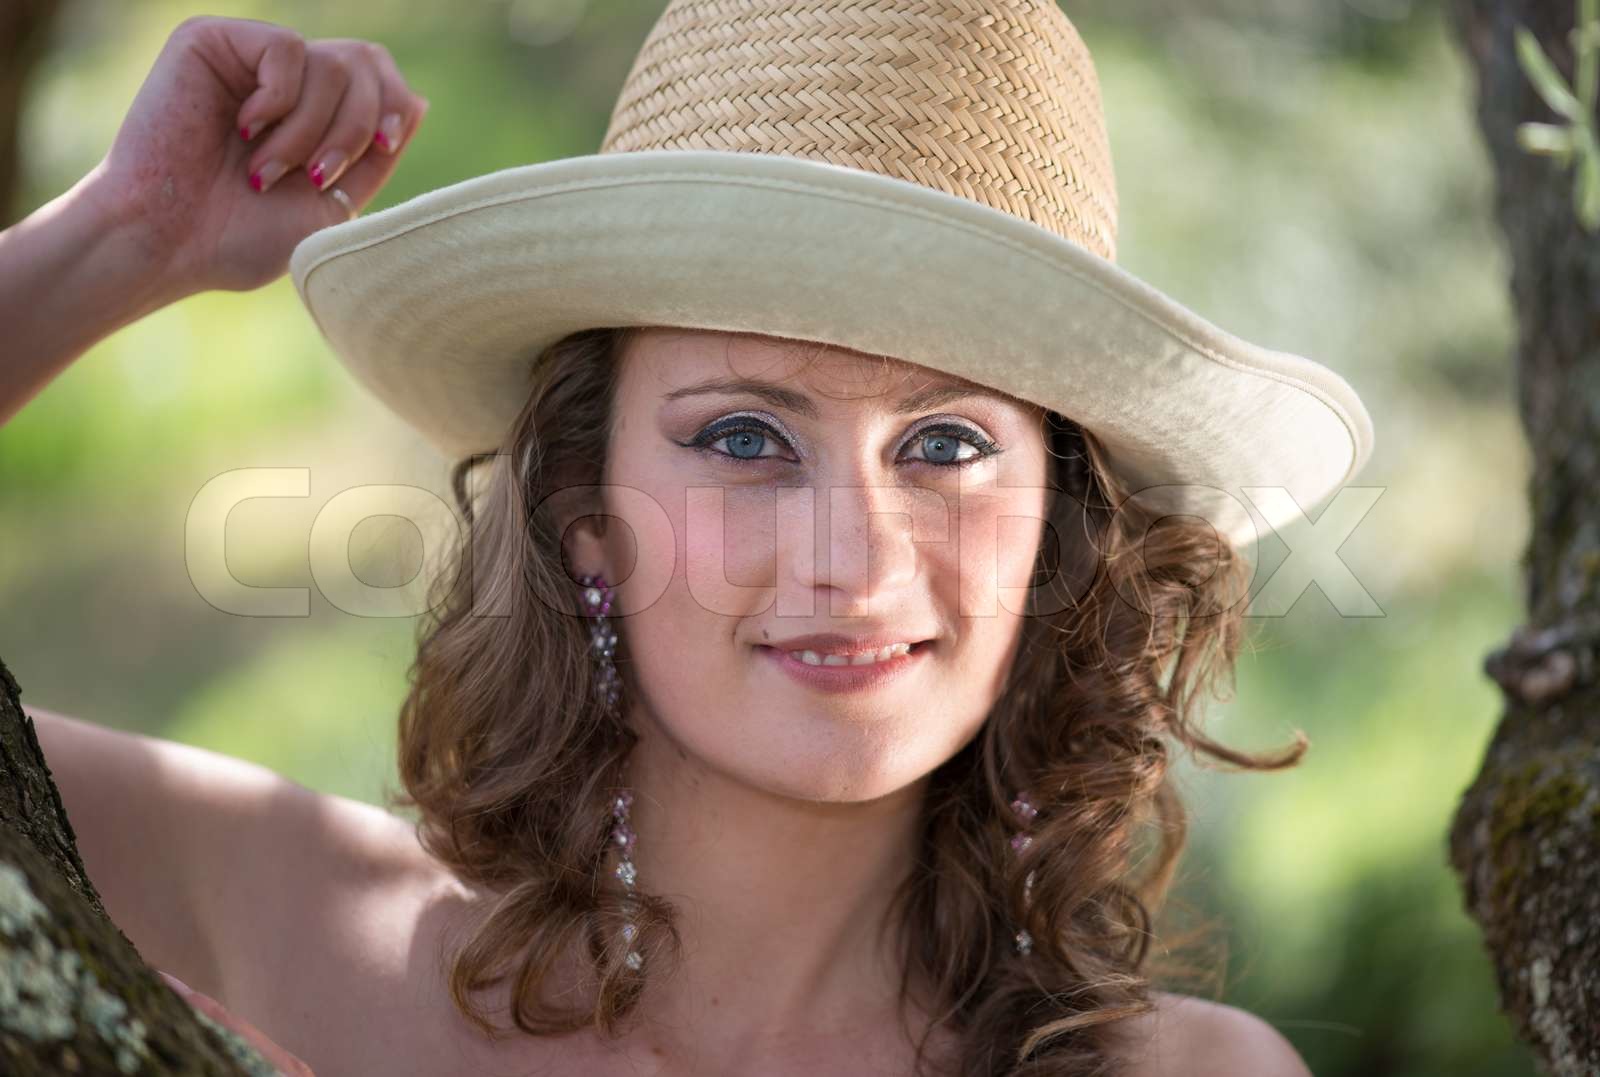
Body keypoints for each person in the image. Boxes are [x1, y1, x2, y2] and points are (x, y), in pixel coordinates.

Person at [1, 6, 1374, 1075]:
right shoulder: (276, 914)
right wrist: (115, 242)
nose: (855, 556)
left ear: (1059, 539)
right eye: (744, 439)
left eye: (945, 446)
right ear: (583, 516)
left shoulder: (1189, 1068)